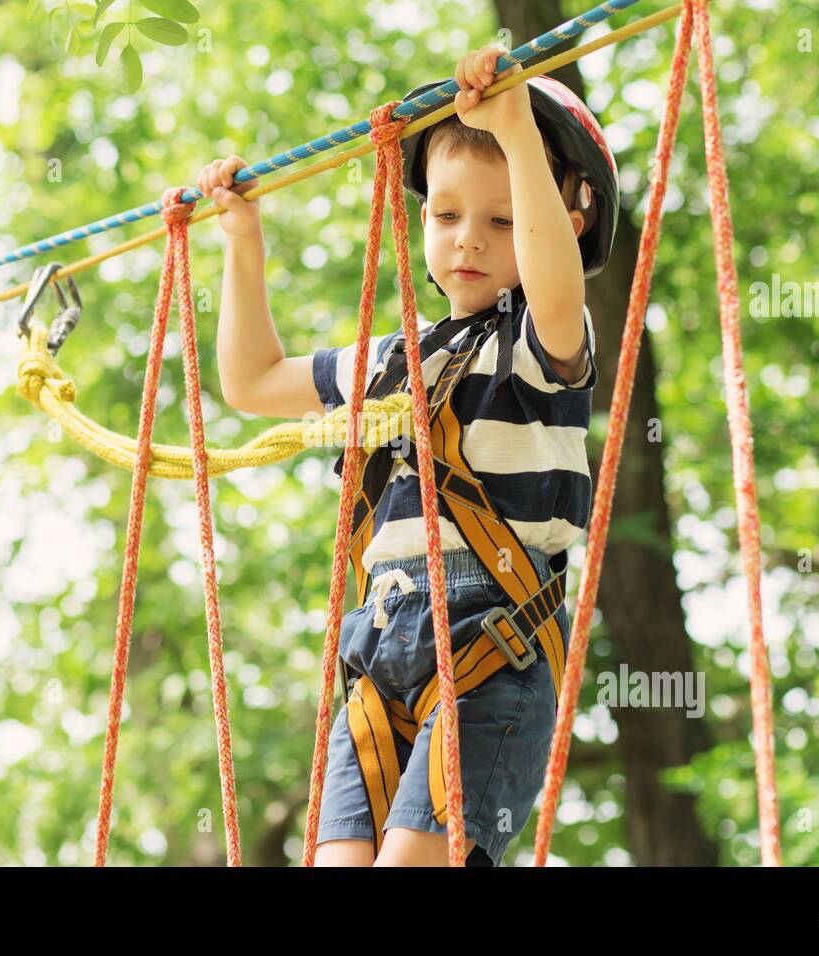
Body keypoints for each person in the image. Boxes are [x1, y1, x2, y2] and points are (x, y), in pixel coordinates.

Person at [203, 44, 620, 866]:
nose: (469, 240)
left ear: (562, 224)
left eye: (502, 221)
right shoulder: (392, 360)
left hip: (490, 657)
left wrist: (513, 126)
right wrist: (241, 243)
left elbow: (556, 284)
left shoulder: (541, 345)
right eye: (446, 215)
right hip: (379, 660)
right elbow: (250, 381)